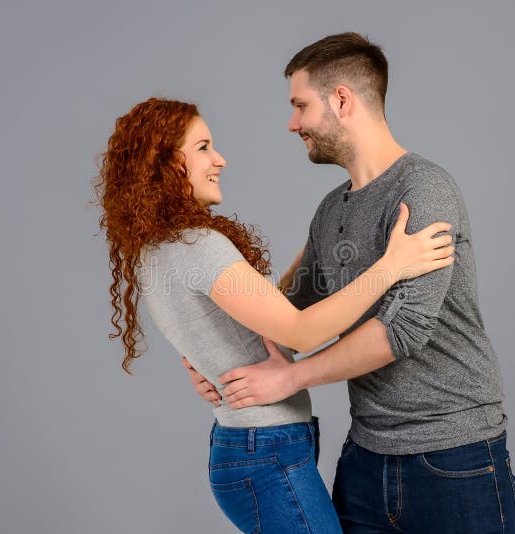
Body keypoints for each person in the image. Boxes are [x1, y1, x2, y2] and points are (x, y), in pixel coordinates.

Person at [184, 33, 515, 533]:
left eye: (300, 105)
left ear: (341, 99)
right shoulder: (331, 211)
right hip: (365, 460)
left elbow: (401, 331)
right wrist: (205, 358)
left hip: (454, 457)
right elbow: (280, 313)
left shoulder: (423, 189)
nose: (291, 123)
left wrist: (291, 377)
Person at [93, 97, 455, 533]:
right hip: (264, 451)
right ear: (166, 162)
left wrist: (201, 361)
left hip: (250, 447)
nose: (220, 159)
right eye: (204, 147)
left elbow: (250, 310)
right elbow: (300, 333)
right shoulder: (197, 247)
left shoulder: (157, 250)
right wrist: (393, 266)